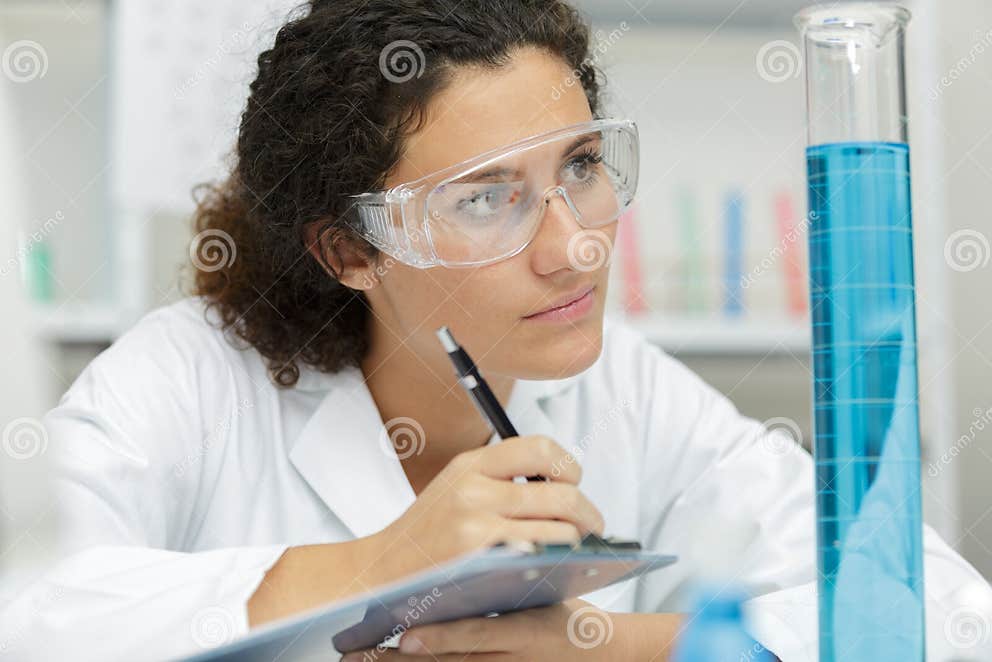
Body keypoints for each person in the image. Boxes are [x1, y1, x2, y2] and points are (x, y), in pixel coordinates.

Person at [1, 1, 989, 660]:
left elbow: (931, 613)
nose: (573, 248)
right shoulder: (189, 378)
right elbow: (27, 606)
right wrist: (379, 563)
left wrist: (595, 638)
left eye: (580, 168)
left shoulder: (625, 388)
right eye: (485, 199)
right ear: (349, 247)